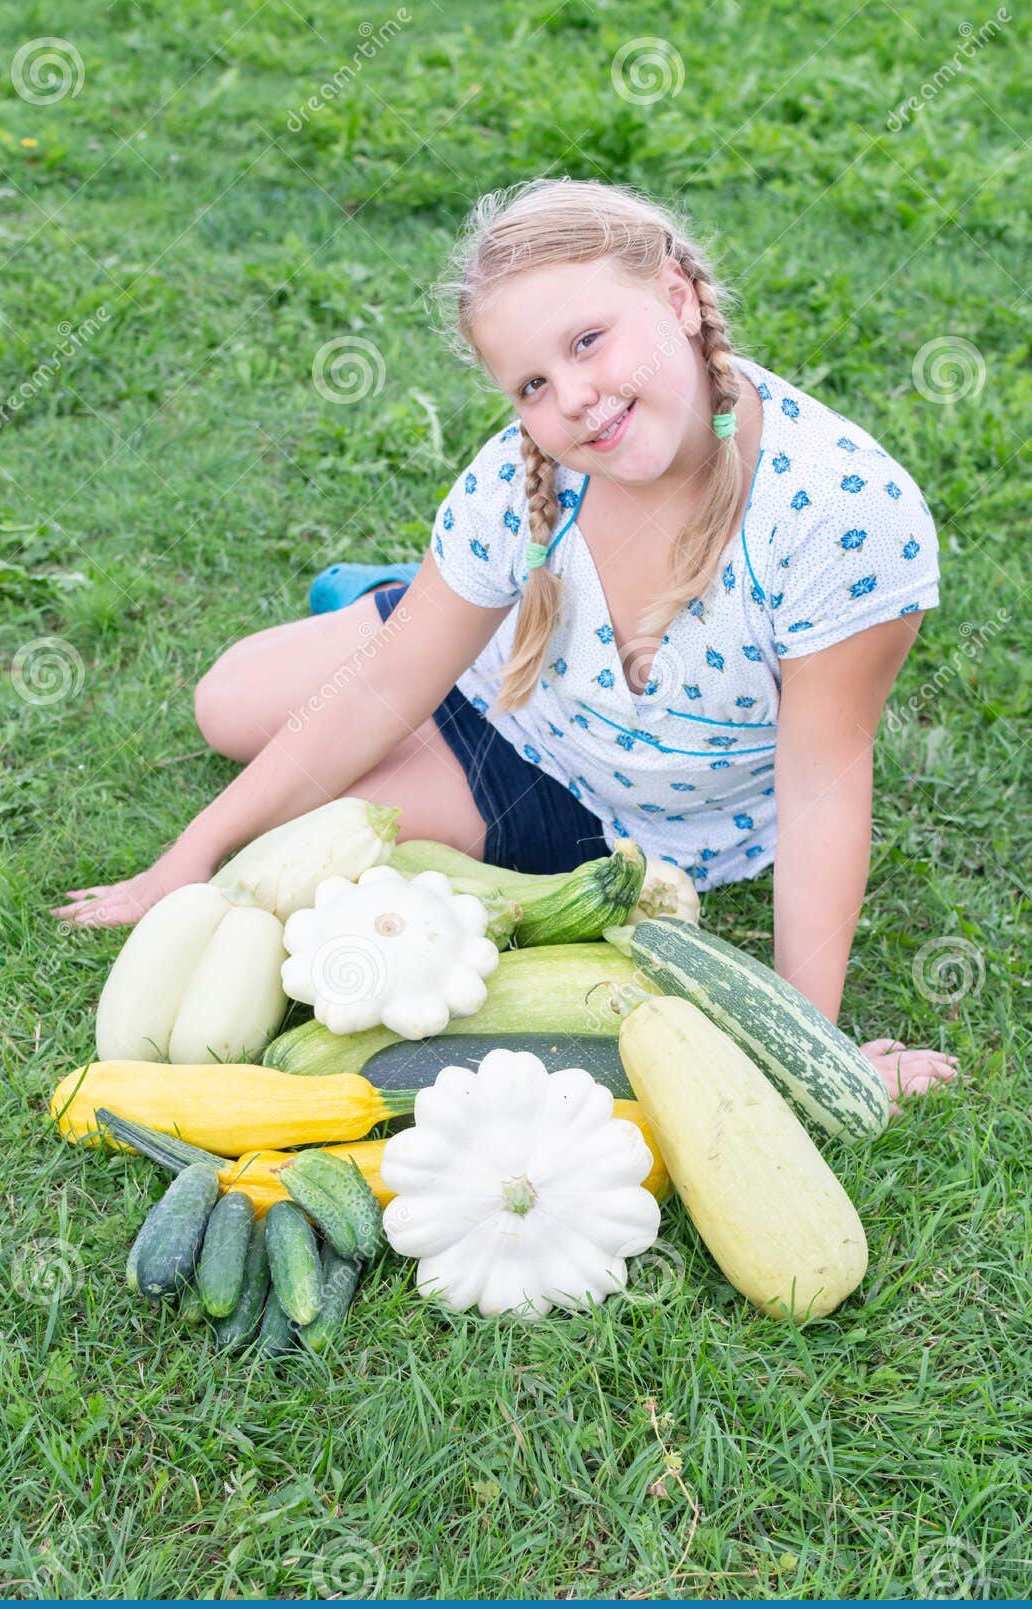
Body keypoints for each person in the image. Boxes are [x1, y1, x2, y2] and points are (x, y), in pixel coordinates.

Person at [52, 176, 959, 1116]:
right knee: (227, 702)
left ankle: (454, 614)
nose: (575, 399)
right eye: (533, 385)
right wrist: (184, 859)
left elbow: (821, 789)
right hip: (516, 678)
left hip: (589, 791)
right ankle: (455, 609)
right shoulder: (526, 475)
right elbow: (379, 690)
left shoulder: (841, 516)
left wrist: (808, 1049)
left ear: (677, 297)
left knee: (332, 841)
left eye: (588, 340)